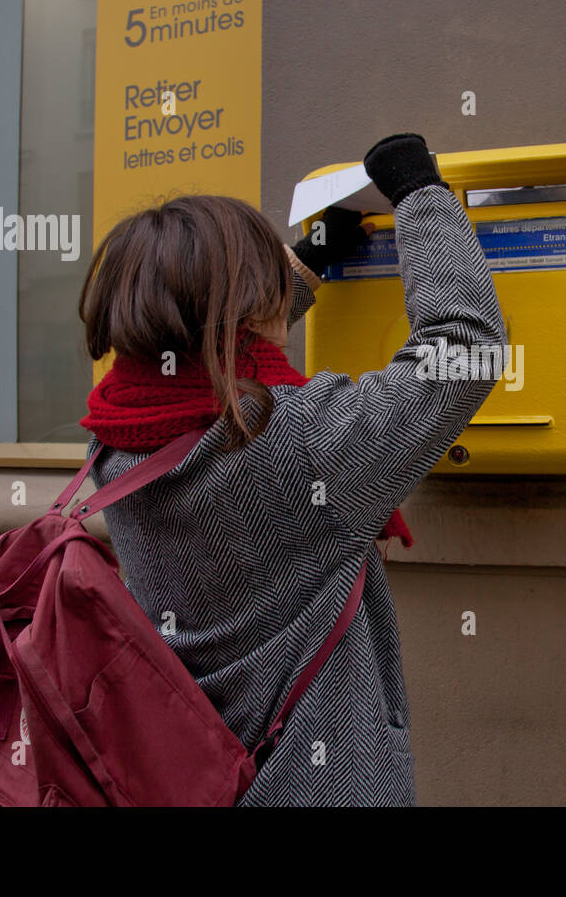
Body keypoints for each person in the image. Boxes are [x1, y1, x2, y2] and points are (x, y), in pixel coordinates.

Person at [76, 134, 506, 805]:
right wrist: (421, 193)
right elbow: (465, 347)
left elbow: (210, 359)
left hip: (190, 773)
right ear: (248, 310)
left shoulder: (115, 441)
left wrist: (308, 264)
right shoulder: (303, 441)